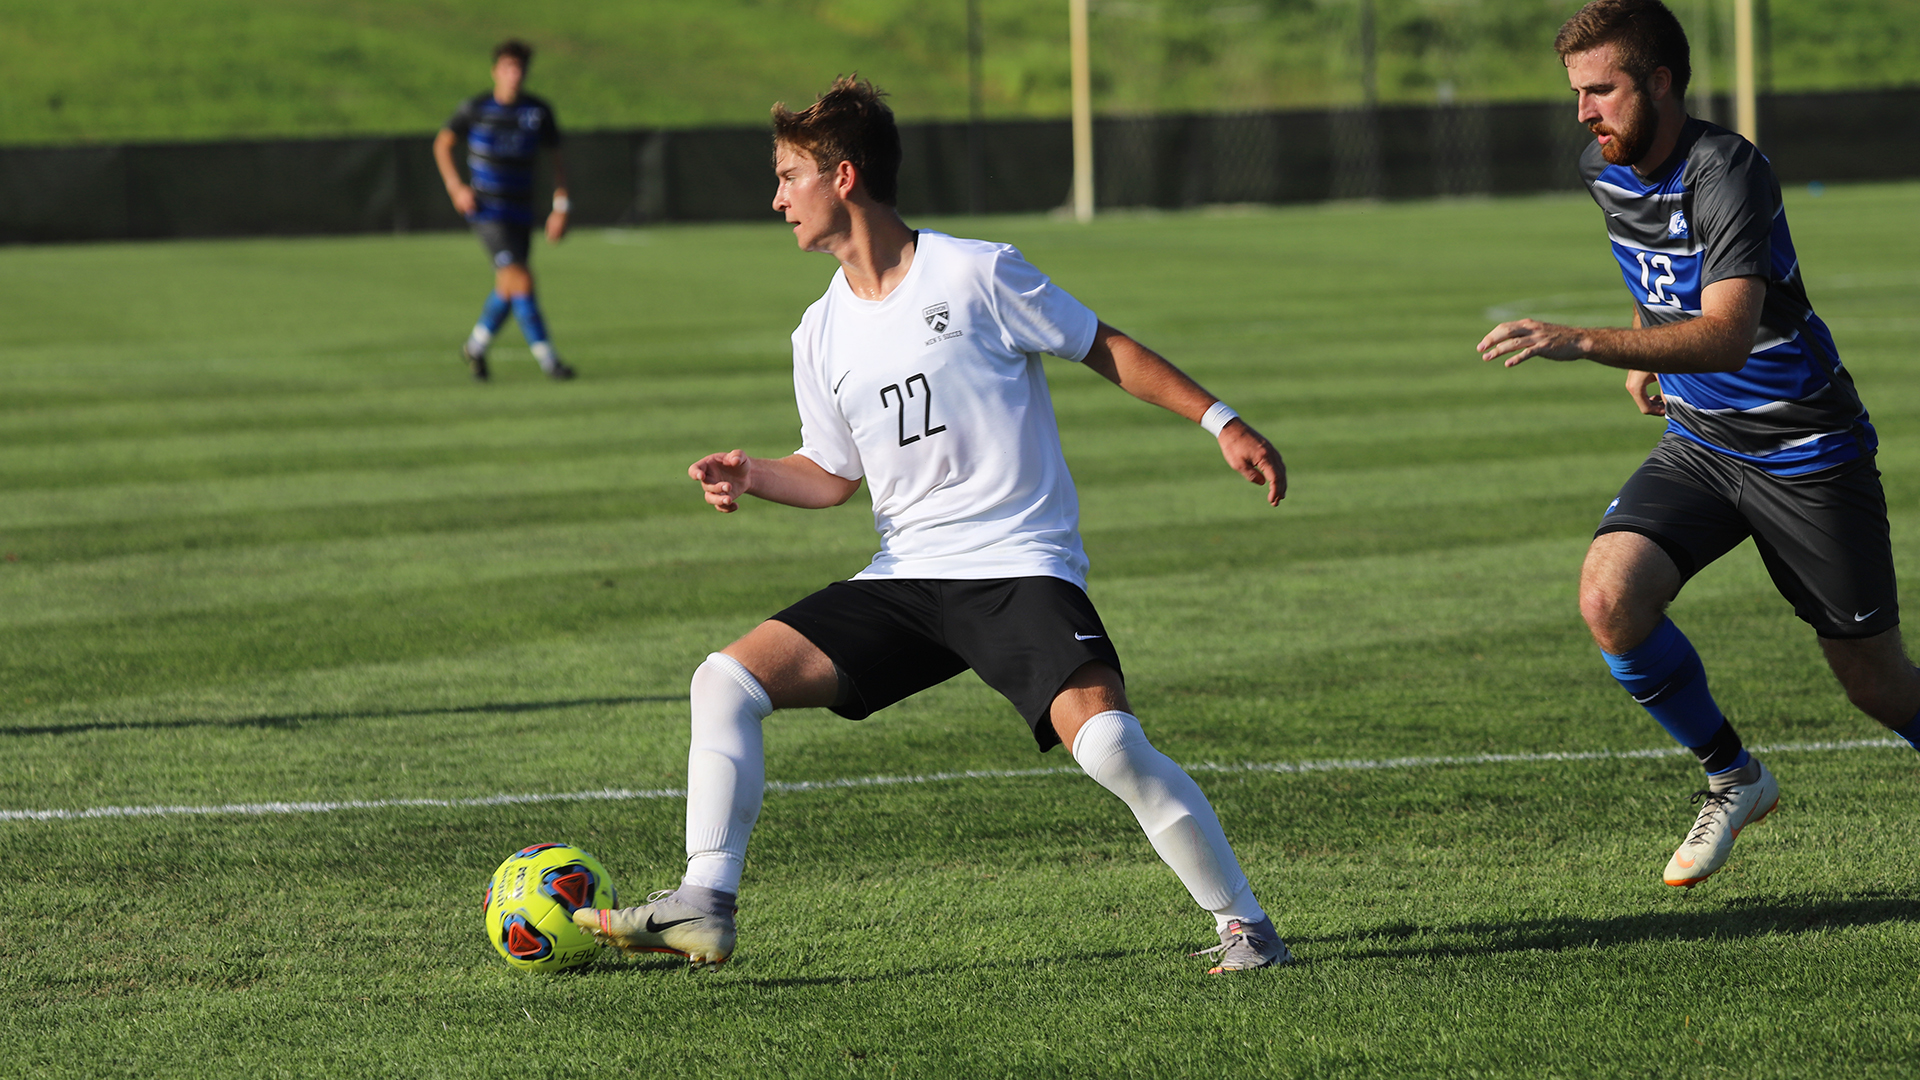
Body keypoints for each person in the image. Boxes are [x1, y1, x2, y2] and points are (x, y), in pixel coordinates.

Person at [573, 77, 1292, 973]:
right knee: (724, 682)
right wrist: (754, 474)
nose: (776, 197)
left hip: (1017, 567)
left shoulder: (975, 271)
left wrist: (1221, 421)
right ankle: (705, 900)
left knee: (1107, 741)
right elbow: (833, 475)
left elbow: (1100, 345)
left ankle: (1246, 927)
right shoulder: (819, 331)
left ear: (843, 176)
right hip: (906, 578)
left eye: (789, 175)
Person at [1478, 0, 1920, 888]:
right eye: (1576, 93)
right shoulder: (1602, 169)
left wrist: (1592, 342)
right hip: (1704, 445)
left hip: (1805, 450)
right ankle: (1734, 777)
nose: (1584, 112)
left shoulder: (1728, 170)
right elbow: (1659, 271)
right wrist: (1646, 345)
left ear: (1661, 81)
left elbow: (1725, 335)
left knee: (1875, 684)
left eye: (1601, 90)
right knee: (1610, 598)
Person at [432, 39, 575, 381]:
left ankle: (475, 348)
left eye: (520, 68)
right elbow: (442, 144)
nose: (515, 75)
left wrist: (561, 205)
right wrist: (456, 187)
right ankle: (549, 361)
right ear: (495, 71)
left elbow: (557, 160)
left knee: (508, 287)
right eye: (508, 68)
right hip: (487, 211)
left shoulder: (537, 112)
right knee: (522, 280)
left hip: (522, 212)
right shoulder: (476, 108)